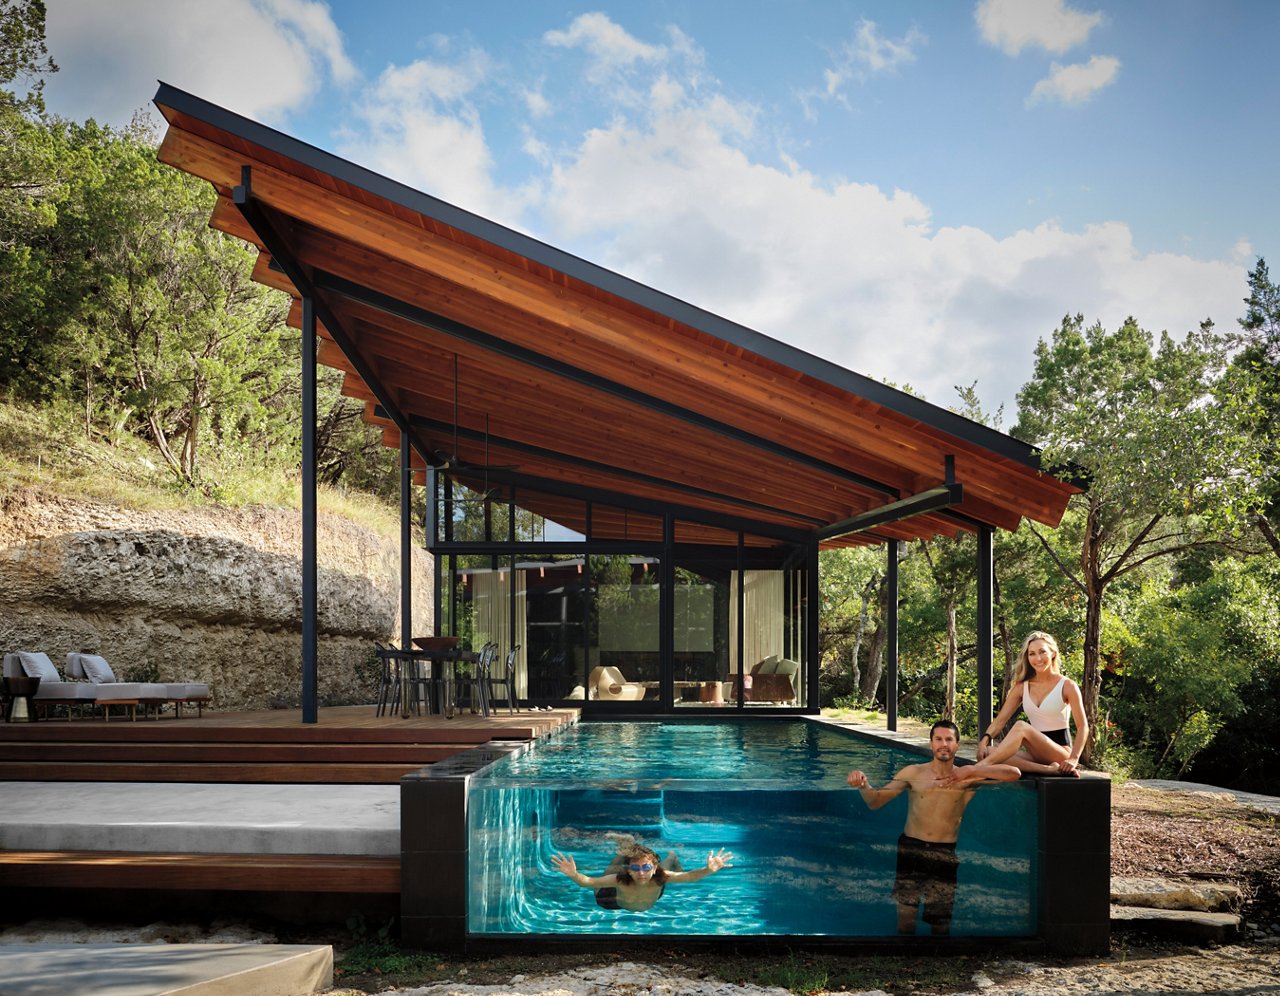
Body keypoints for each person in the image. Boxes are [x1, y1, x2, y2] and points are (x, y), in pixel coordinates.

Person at [847, 719, 1020, 935]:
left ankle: (939, 965)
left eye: (949, 739)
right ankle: (908, 966)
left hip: (943, 853)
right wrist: (864, 785)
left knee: (940, 924)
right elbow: (875, 801)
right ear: (931, 744)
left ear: (957, 745)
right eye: (938, 739)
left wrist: (969, 770)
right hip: (911, 848)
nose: (943, 744)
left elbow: (1014, 773)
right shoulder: (913, 773)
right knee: (906, 921)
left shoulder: (967, 778)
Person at [974, 631, 1089, 777]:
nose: (1038, 658)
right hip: (1035, 754)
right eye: (1032, 654)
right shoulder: (1022, 687)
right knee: (990, 752)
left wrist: (1074, 758)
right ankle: (1047, 770)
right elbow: (1000, 720)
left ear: (1053, 653)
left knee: (1021, 726)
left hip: (1060, 752)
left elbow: (1083, 726)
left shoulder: (1067, 685)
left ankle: (978, 768)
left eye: (1042, 652)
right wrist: (983, 742)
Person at [551, 839, 733, 912]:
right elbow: (587, 882)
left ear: (654, 868)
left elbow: (690, 877)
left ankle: (667, 855)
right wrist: (574, 874)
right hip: (614, 904)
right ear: (629, 870)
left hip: (653, 894)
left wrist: (709, 869)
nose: (642, 873)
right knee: (606, 877)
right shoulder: (620, 879)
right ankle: (624, 851)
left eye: (646, 868)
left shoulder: (660, 876)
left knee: (669, 861)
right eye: (635, 869)